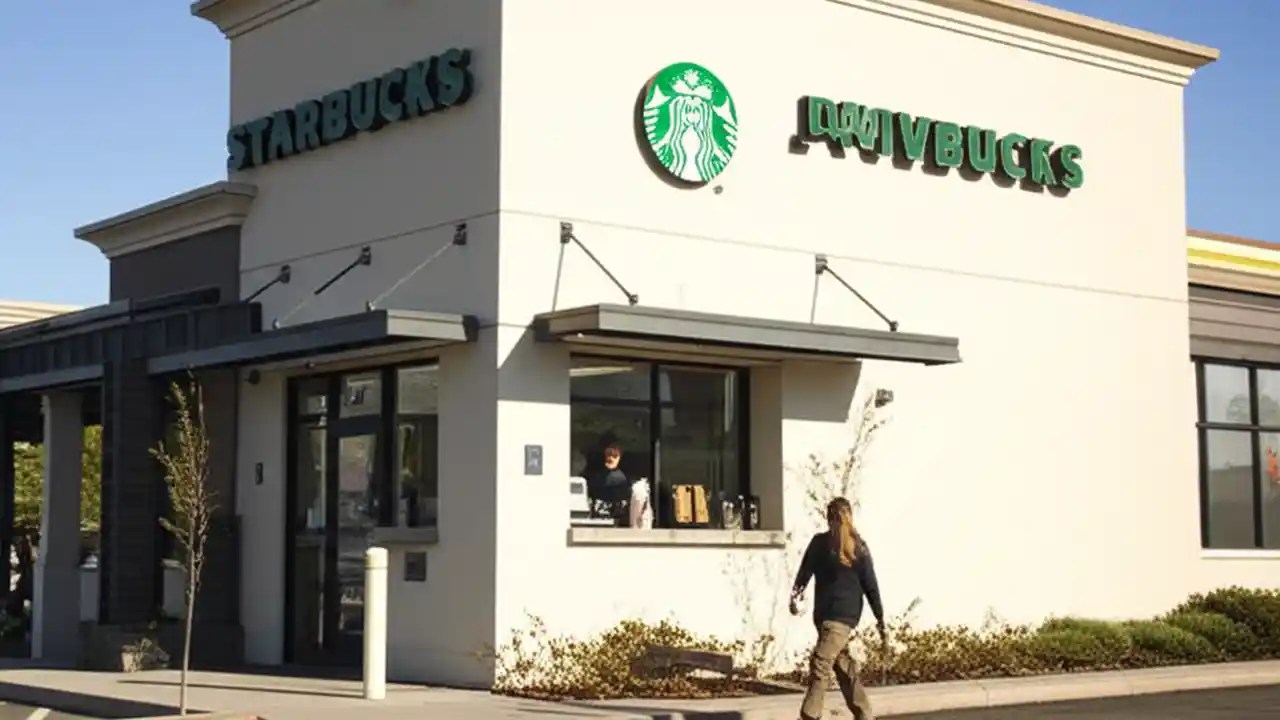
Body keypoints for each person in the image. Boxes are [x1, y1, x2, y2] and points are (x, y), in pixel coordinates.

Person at [789, 497, 885, 720]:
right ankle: (864, 712)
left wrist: (880, 617)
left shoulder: (856, 547)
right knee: (842, 666)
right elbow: (805, 573)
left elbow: (870, 585)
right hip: (828, 616)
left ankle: (810, 715)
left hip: (840, 617)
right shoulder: (825, 544)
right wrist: (795, 595)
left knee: (821, 661)